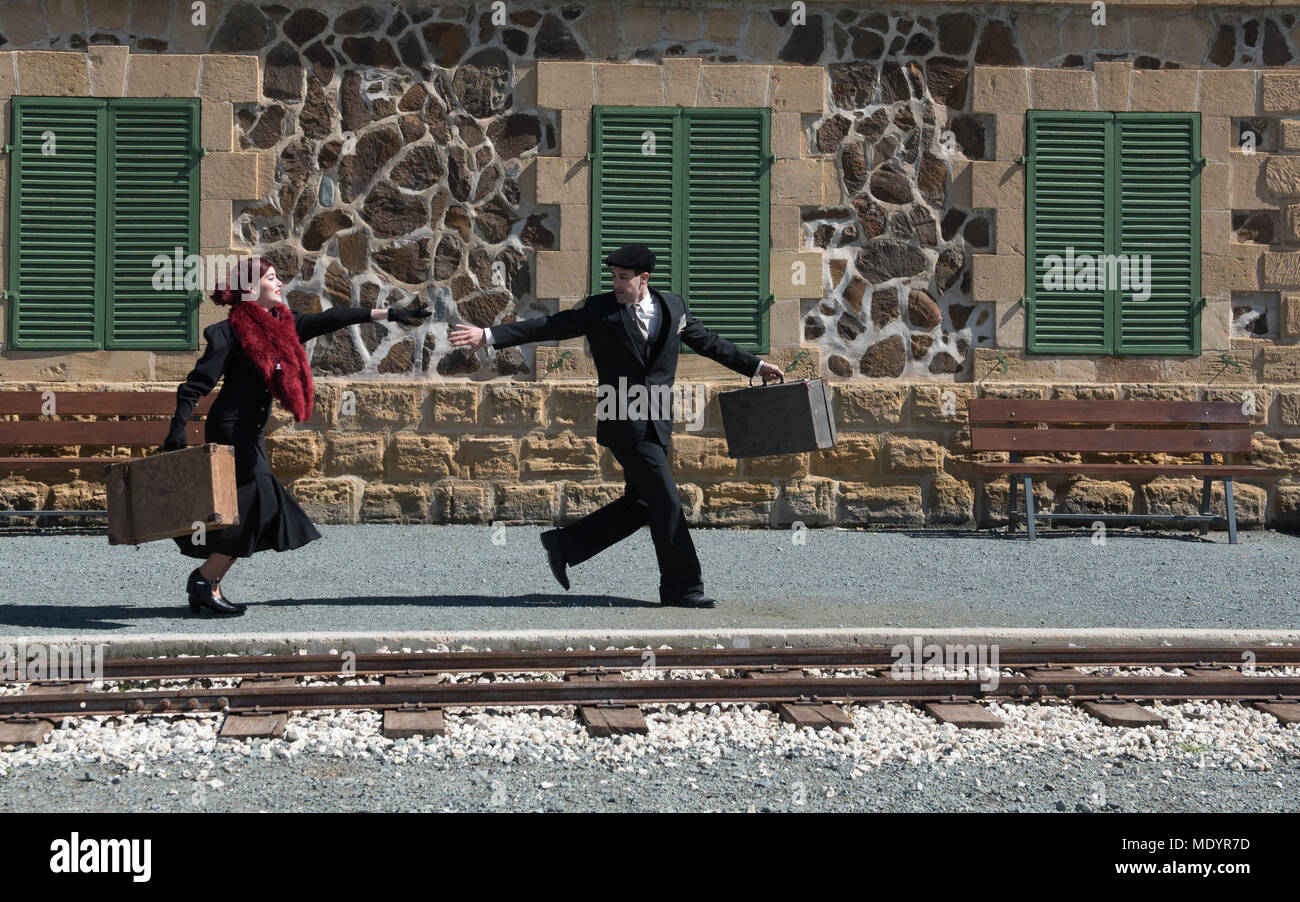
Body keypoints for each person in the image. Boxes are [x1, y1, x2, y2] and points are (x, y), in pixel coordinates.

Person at [449, 244, 783, 608]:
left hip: (657, 423)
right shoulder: (600, 309)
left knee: (642, 503)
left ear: (644, 279)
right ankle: (682, 589)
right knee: (668, 502)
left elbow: (709, 343)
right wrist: (488, 336)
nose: (617, 284)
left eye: (624, 278)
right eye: (615, 277)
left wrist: (755, 366)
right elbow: (550, 325)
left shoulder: (674, 307)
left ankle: (565, 544)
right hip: (623, 421)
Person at [163, 257, 430, 615]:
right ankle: (204, 579)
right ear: (250, 288)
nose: (279, 284)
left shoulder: (283, 328)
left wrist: (391, 314)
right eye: (271, 278)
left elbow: (333, 317)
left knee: (261, 507)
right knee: (260, 502)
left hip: (251, 432)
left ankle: (206, 581)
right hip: (229, 431)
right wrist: (179, 426)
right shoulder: (227, 333)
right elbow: (197, 383)